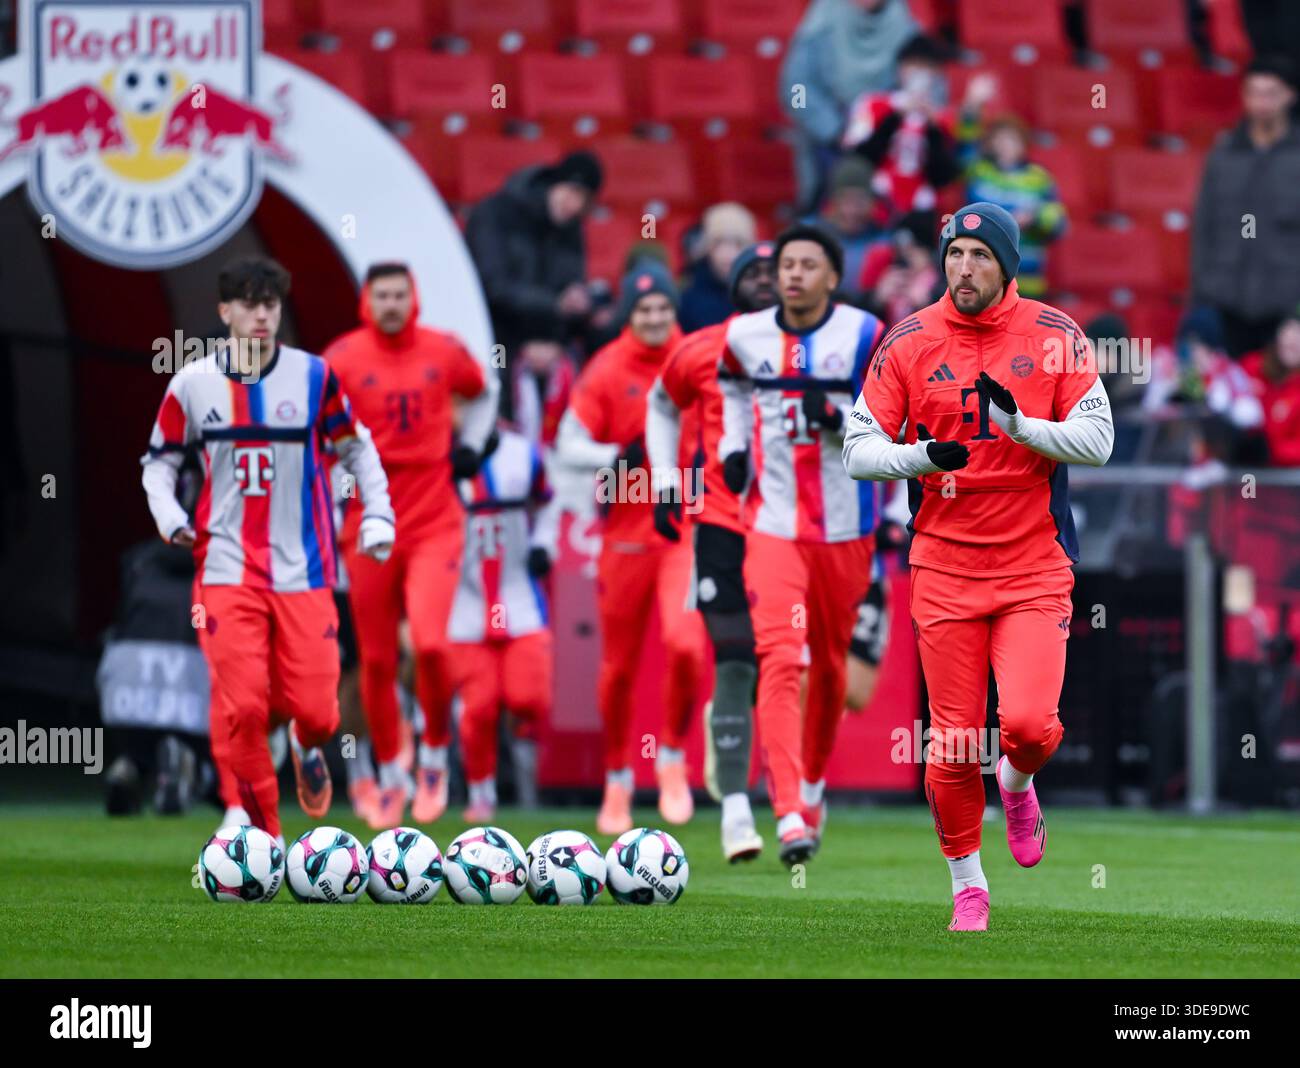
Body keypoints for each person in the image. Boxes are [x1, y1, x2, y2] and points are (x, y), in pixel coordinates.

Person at [843, 202, 1115, 931]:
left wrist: (1023, 427)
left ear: (1007, 265)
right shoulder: (909, 339)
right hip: (944, 566)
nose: (963, 269)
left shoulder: (1055, 335)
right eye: (954, 255)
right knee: (954, 742)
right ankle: (969, 885)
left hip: (1032, 561)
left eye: (979, 257)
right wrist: (919, 455)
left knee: (1027, 724)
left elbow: (1099, 438)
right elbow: (855, 447)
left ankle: (1019, 784)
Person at [141, 256, 396, 843]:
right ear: (225, 311)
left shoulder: (314, 377)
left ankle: (306, 744)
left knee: (320, 712)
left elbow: (358, 449)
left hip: (305, 570)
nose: (262, 315)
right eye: (251, 304)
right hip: (225, 567)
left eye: (272, 305)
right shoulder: (193, 383)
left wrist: (378, 513)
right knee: (245, 708)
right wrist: (170, 516)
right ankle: (262, 836)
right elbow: (158, 463)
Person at [718, 224, 885, 865]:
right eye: (787, 264)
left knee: (833, 667)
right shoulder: (745, 336)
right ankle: (788, 808)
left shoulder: (864, 335)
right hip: (773, 525)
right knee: (780, 657)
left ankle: (812, 782)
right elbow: (733, 387)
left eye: (807, 265)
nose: (792, 275)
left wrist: (841, 420)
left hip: (847, 528)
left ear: (832, 277)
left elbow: (896, 415)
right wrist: (735, 449)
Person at [324, 262, 499, 828]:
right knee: (374, 657)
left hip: (434, 519)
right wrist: (329, 498)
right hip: (370, 519)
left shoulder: (444, 350)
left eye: (401, 294)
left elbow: (484, 392)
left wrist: (471, 445)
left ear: (415, 297)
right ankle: (391, 773)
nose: (393, 304)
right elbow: (317, 432)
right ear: (366, 301)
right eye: (383, 296)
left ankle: (433, 758)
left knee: (429, 643)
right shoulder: (342, 358)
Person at [556, 260, 706, 835]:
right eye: (643, 310)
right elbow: (567, 444)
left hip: (681, 530)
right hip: (622, 537)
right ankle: (617, 778)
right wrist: (610, 457)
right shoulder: (607, 367)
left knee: (686, 645)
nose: (653, 319)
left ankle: (670, 756)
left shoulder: (692, 358)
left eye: (662, 309)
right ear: (628, 314)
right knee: (618, 668)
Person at [645, 241, 779, 862]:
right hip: (722, 519)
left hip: (794, 527)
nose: (763, 281)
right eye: (750, 273)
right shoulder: (702, 348)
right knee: (733, 659)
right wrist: (668, 484)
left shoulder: (822, 349)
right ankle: (734, 808)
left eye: (773, 272)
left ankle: (798, 787)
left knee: (788, 663)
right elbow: (660, 403)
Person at [448, 423, 558, 823]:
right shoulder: (438, 454)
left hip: (520, 597)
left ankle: (523, 760)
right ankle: (481, 793)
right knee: (476, 708)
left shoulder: (523, 453)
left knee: (530, 696)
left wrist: (545, 544)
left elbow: (549, 501)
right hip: (467, 603)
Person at [465, 150, 603, 401]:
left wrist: (555, 342)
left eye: (583, 200)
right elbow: (493, 287)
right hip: (496, 339)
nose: (574, 206)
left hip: (547, 350)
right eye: (572, 193)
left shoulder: (572, 229)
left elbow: (571, 288)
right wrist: (555, 305)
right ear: (555, 183)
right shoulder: (495, 214)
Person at [1192, 56, 1300, 357]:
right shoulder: (1224, 154)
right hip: (1227, 302)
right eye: (1254, 92)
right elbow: (1204, 228)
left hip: (1287, 308)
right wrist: (1202, 295)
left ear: (1290, 96)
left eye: (1271, 93)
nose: (1261, 102)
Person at [780, 0, 919, 211]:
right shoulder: (820, 25)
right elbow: (796, 88)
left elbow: (927, 87)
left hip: (887, 143)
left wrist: (887, 119)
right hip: (829, 144)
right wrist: (833, 129)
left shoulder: (905, 27)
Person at [956, 86, 1066, 301]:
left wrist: (1034, 217)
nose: (1006, 145)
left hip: (1028, 279)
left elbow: (1059, 222)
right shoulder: (979, 170)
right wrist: (971, 107)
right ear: (991, 143)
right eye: (1000, 139)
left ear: (1023, 145)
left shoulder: (1039, 178)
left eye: (1012, 139)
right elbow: (964, 146)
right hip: (983, 278)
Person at [841, 34, 961, 228]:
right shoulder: (873, 104)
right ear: (899, 69)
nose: (919, 74)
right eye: (913, 66)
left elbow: (945, 176)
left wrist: (933, 129)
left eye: (927, 68)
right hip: (875, 205)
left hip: (923, 211)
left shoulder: (943, 117)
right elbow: (859, 158)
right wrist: (895, 117)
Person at [810, 155, 888, 302]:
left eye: (860, 202)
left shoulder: (885, 241)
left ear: (872, 204)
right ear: (832, 203)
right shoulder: (810, 239)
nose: (851, 211)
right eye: (845, 201)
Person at [677, 203, 758, 333]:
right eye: (719, 243)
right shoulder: (688, 298)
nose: (728, 253)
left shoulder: (760, 293)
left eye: (737, 244)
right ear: (708, 248)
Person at [1243, 309, 1300, 466]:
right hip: (1243, 473)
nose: (1293, 340)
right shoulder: (1254, 368)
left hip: (1284, 480)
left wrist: (1270, 450)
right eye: (1289, 333)